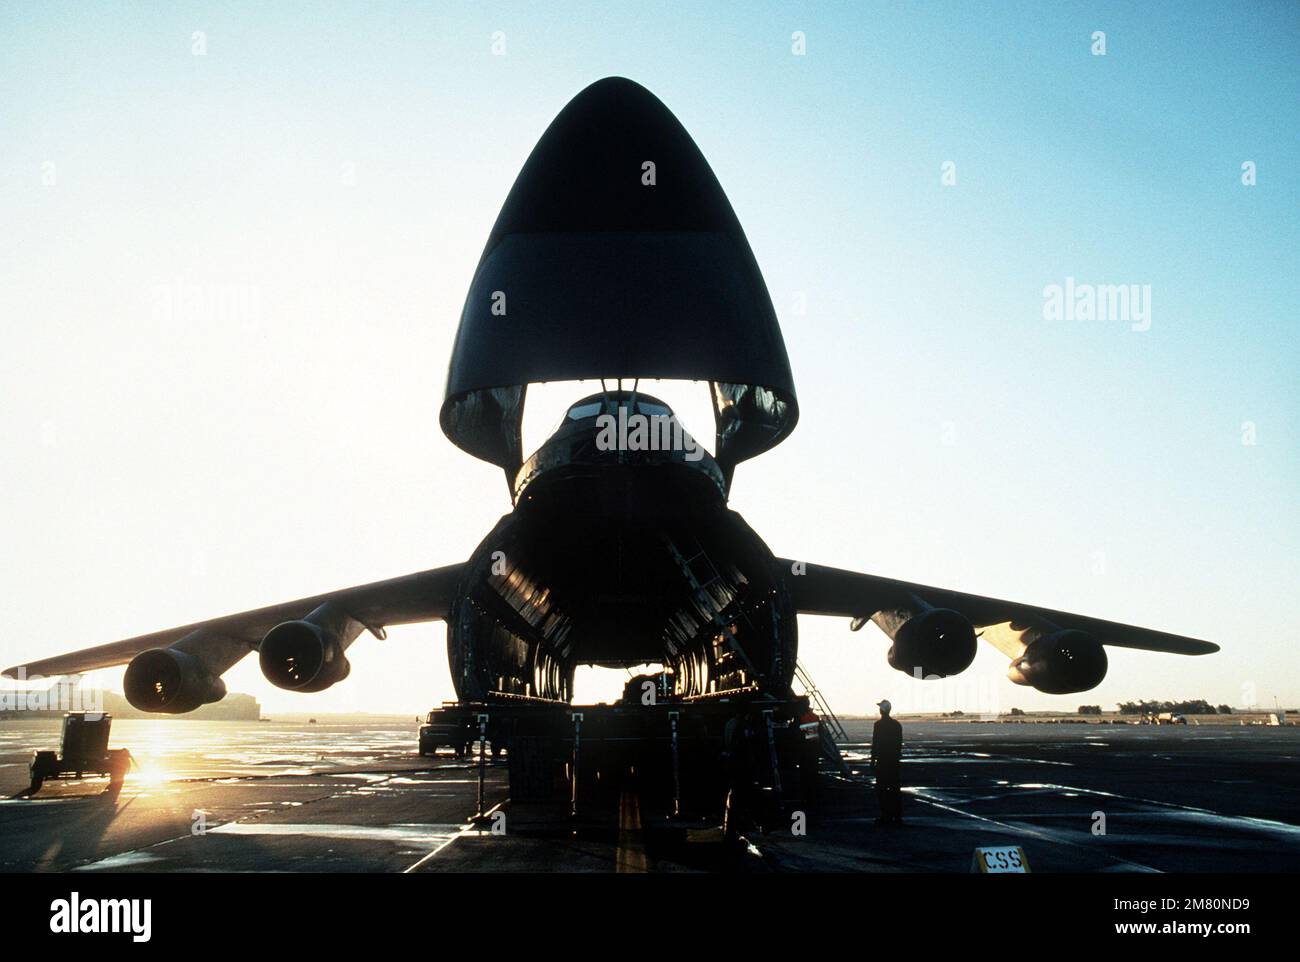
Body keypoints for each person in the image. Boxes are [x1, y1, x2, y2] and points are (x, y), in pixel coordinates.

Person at [871, 699, 903, 824]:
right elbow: (899, 744)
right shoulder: (896, 725)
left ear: (882, 710)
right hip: (893, 761)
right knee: (895, 789)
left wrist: (873, 760)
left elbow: (875, 744)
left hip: (883, 761)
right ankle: (897, 816)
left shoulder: (878, 725)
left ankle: (886, 815)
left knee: (882, 789)